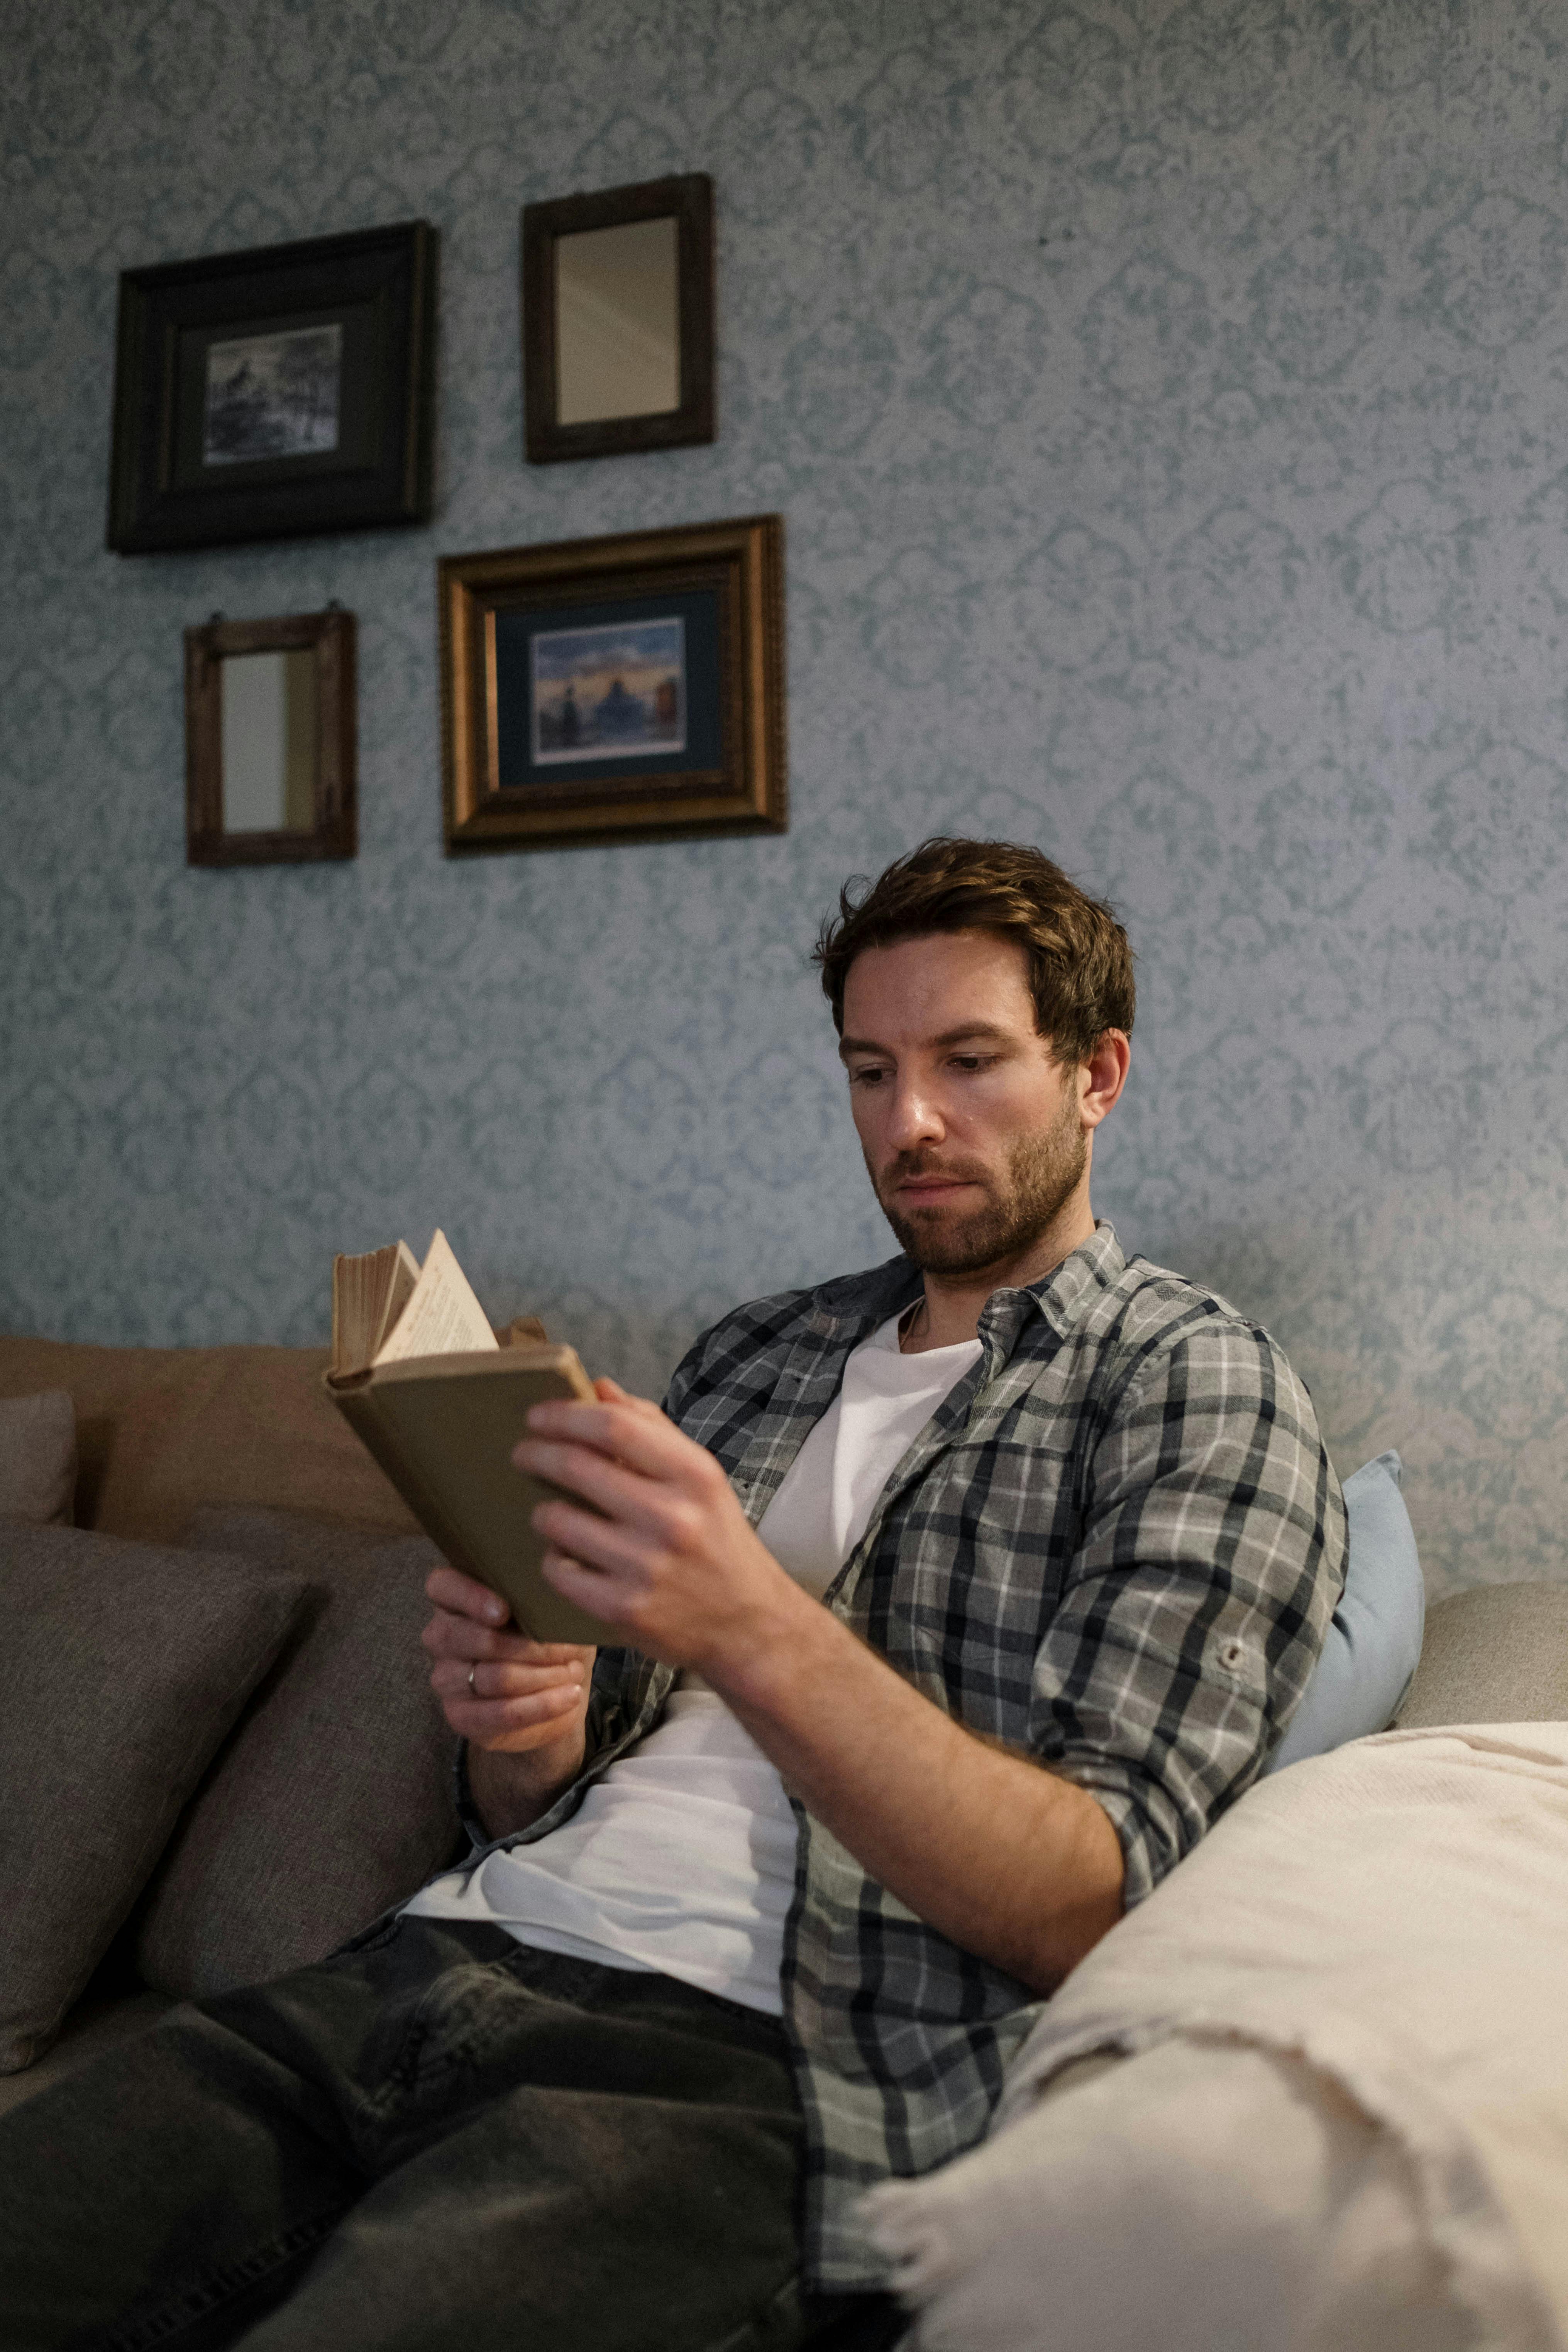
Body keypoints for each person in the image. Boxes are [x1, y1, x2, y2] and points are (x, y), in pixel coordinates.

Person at [0, 838, 1345, 2352]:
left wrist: (746, 1618)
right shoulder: (754, 1357)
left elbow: (1084, 1903)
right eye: (866, 1070)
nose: (907, 1121)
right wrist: (527, 1731)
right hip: (427, 1966)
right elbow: (541, 1804)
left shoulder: (1195, 1386)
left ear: (1096, 1075)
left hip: (751, 2064)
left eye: (968, 1061)